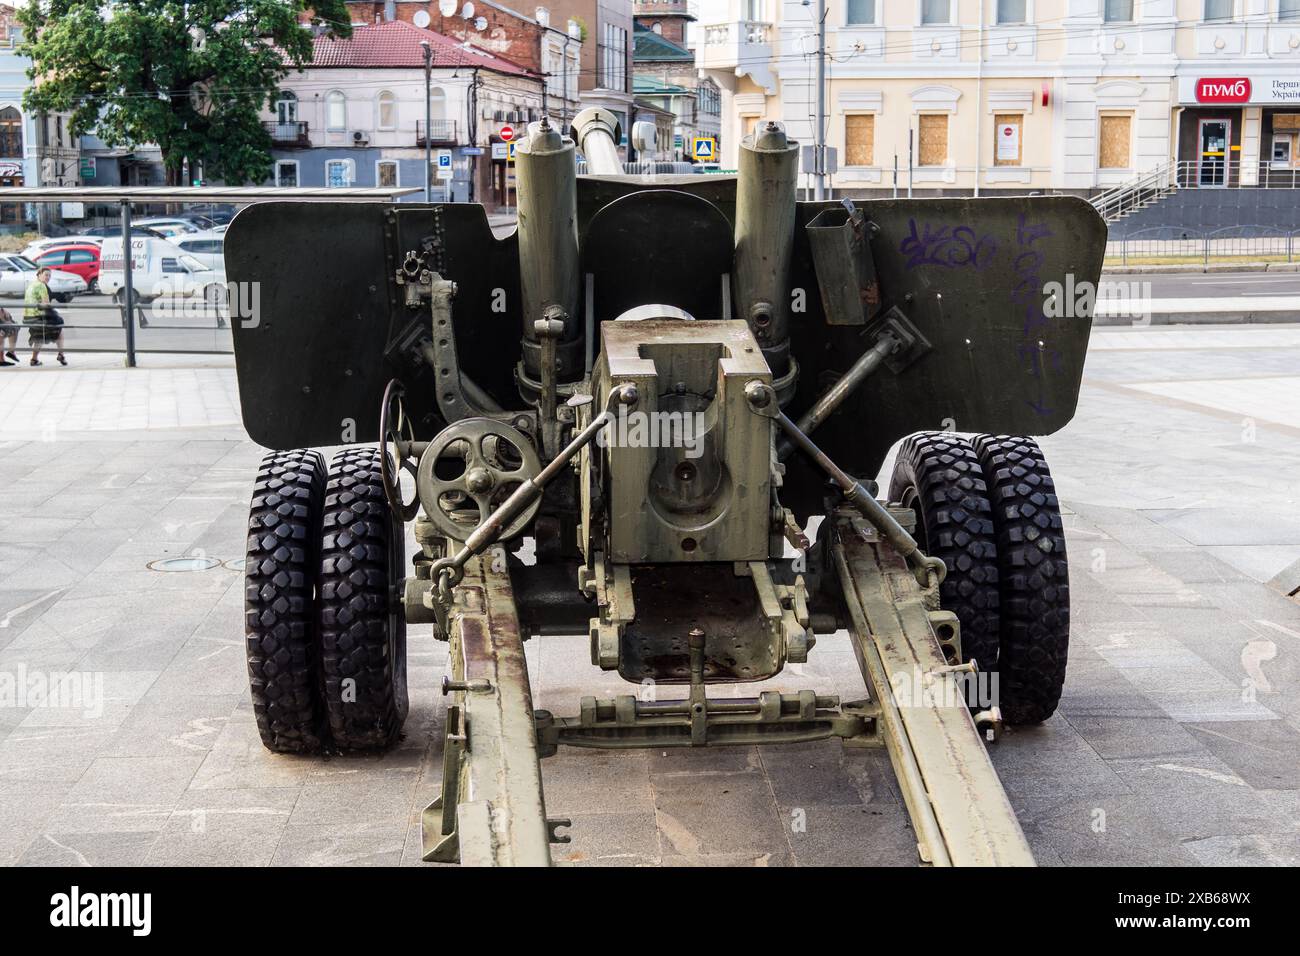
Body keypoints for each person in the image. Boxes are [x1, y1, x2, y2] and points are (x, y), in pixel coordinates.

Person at [24, 267, 66, 366]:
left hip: (29, 316)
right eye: (46, 275)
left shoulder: (31, 285)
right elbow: (46, 304)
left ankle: (34, 359)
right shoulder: (42, 286)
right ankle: (61, 354)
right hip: (39, 316)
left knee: (40, 335)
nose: (48, 277)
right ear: (39, 275)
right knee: (59, 327)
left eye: (49, 275)